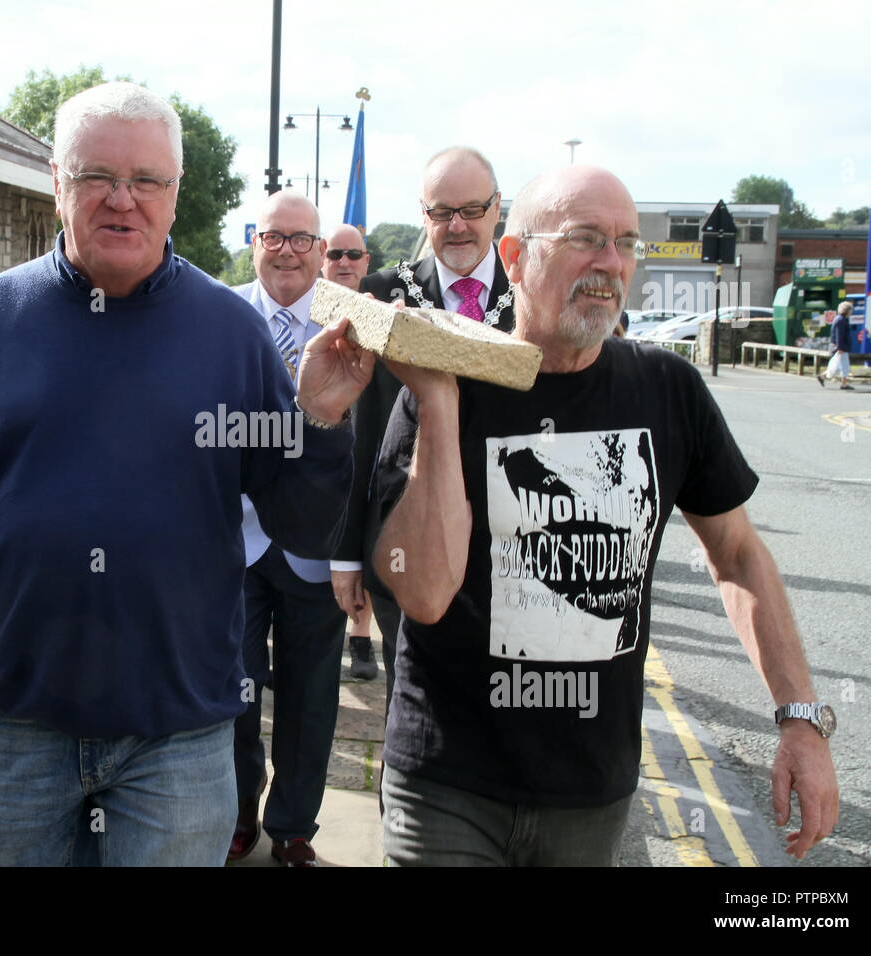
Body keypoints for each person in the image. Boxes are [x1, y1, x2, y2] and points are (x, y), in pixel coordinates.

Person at [0, 82, 371, 868]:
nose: (122, 201)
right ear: (56, 182)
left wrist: (321, 425)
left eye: (146, 181)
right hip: (19, 732)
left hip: (181, 738)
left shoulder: (229, 335)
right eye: (97, 176)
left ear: (174, 193)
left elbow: (298, 521)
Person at [373, 165, 839, 866]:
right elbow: (419, 590)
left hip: (592, 792)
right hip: (447, 781)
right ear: (515, 256)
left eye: (626, 243)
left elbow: (739, 554)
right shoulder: (442, 380)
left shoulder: (666, 388)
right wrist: (440, 402)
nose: (610, 264)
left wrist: (800, 718)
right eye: (585, 238)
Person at [335, 147, 515, 713]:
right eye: (441, 212)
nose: (457, 225)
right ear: (424, 215)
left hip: (510, 545)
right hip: (403, 538)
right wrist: (346, 553)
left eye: (471, 209)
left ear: (496, 209)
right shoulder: (380, 296)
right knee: (410, 703)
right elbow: (359, 430)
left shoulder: (535, 293)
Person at [226, 193, 354, 867]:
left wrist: (356, 552)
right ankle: (238, 813)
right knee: (234, 688)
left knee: (310, 696)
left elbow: (368, 450)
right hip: (232, 545)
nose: (287, 252)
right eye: (274, 238)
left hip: (318, 551)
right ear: (256, 242)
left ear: (320, 250)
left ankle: (293, 827)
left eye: (302, 240)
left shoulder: (351, 324)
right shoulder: (218, 318)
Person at [319, 224, 379, 680]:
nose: (344, 262)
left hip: (370, 446)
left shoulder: (384, 309)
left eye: (353, 254)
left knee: (367, 543)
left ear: (366, 261)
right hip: (318, 448)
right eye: (336, 253)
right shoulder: (311, 305)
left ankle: (360, 636)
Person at [817, 300, 854, 390]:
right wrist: (840, 347)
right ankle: (844, 384)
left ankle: (822, 377)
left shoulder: (841, 319)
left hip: (840, 346)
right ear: (847, 310)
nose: (851, 312)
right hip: (840, 347)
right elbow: (839, 335)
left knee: (836, 366)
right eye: (850, 310)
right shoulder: (841, 320)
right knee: (844, 365)